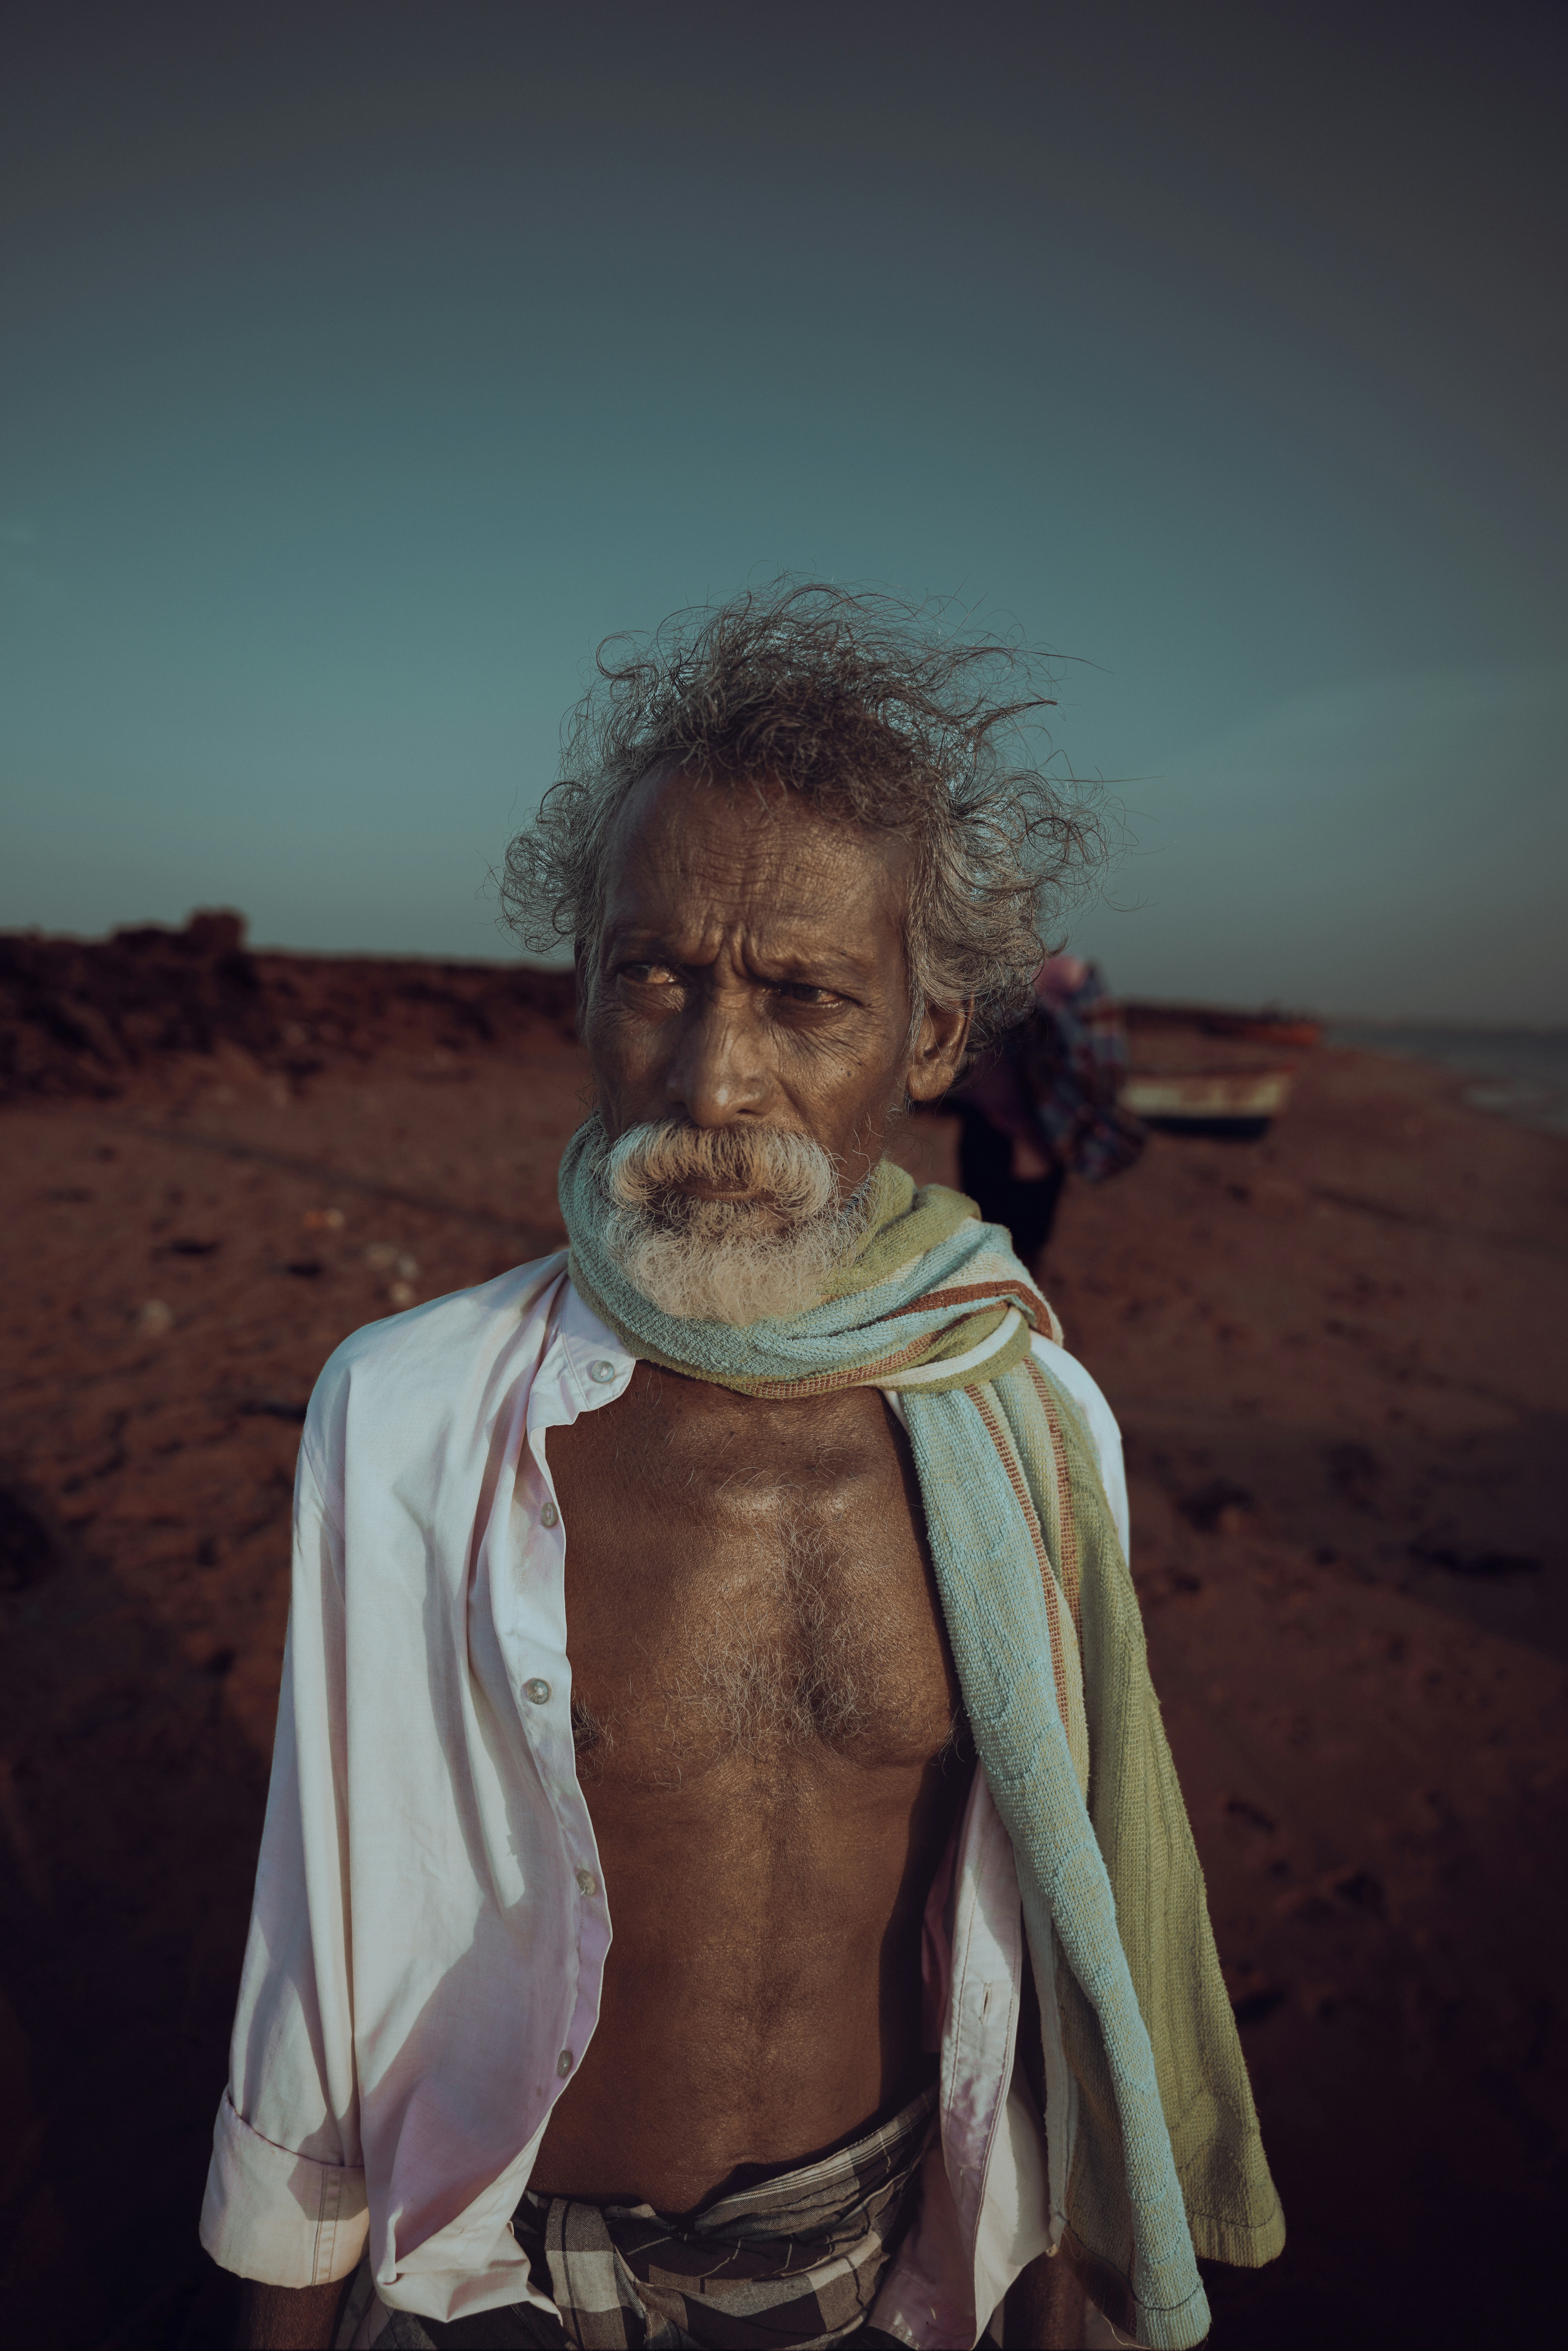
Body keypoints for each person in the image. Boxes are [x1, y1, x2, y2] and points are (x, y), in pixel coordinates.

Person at [202, 586, 1284, 2351]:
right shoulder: (408, 1413)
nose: (712, 1076)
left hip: (872, 2266)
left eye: (802, 999)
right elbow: (324, 1939)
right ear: (582, 983)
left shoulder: (1030, 1423)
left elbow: (1064, 1938)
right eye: (656, 977)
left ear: (928, 1040)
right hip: (496, 2267)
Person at [950, 957, 1144, 1268]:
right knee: (984, 1246)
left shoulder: (1069, 979)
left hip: (1037, 1135)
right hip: (996, 1129)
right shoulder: (989, 977)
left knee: (1019, 1252)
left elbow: (1107, 1076)